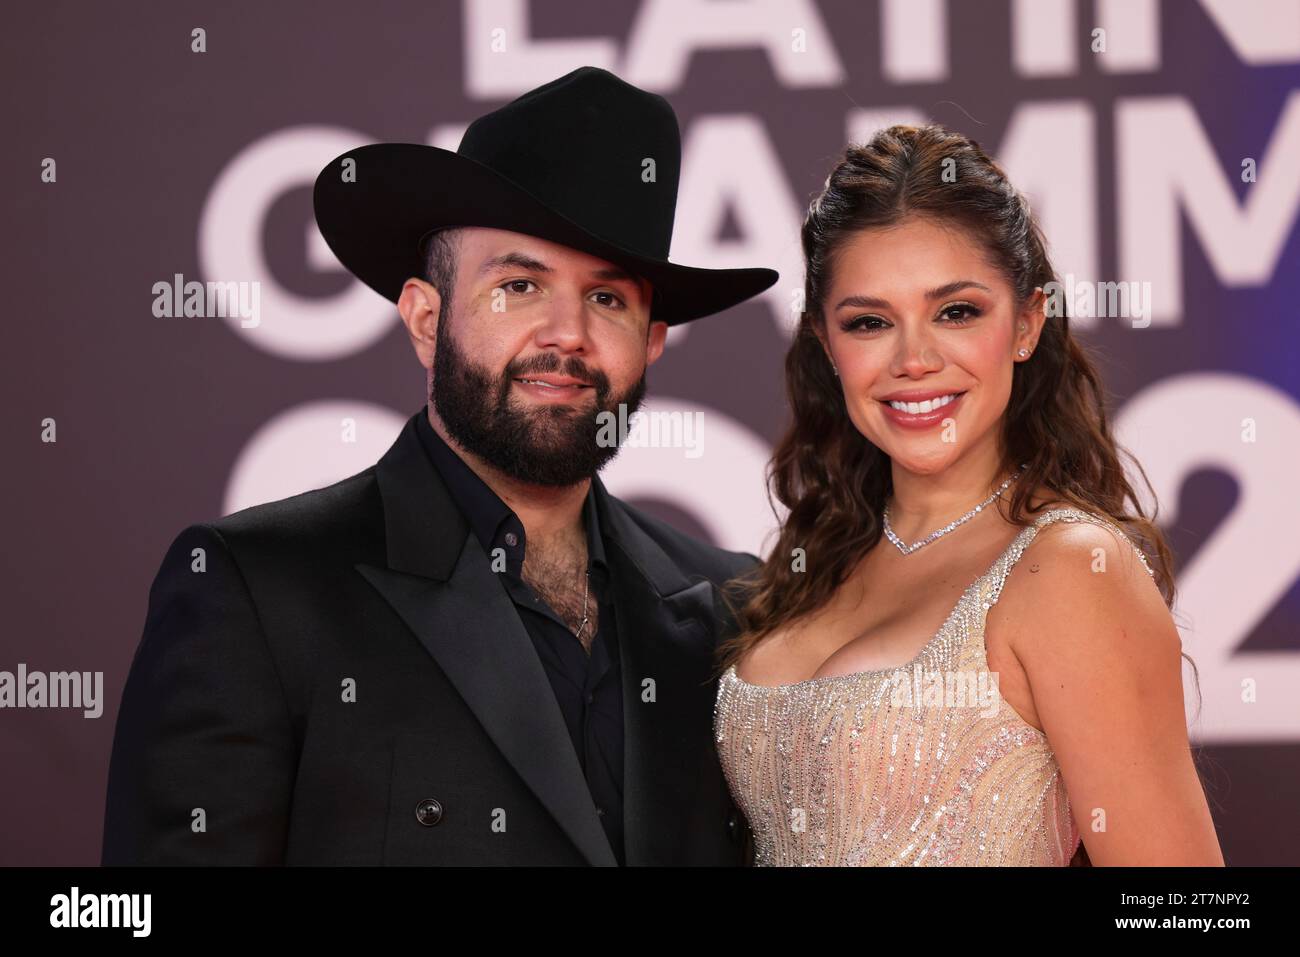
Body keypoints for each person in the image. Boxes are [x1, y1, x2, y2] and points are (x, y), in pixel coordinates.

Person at [102, 66, 778, 866]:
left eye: (608, 300)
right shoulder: (253, 591)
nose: (567, 334)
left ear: (651, 341)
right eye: (520, 285)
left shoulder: (736, 610)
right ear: (427, 318)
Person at [712, 124, 1224, 866]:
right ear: (827, 343)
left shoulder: (1070, 570)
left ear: (1025, 323)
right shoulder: (817, 558)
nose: (914, 359)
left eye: (956, 311)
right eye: (869, 322)